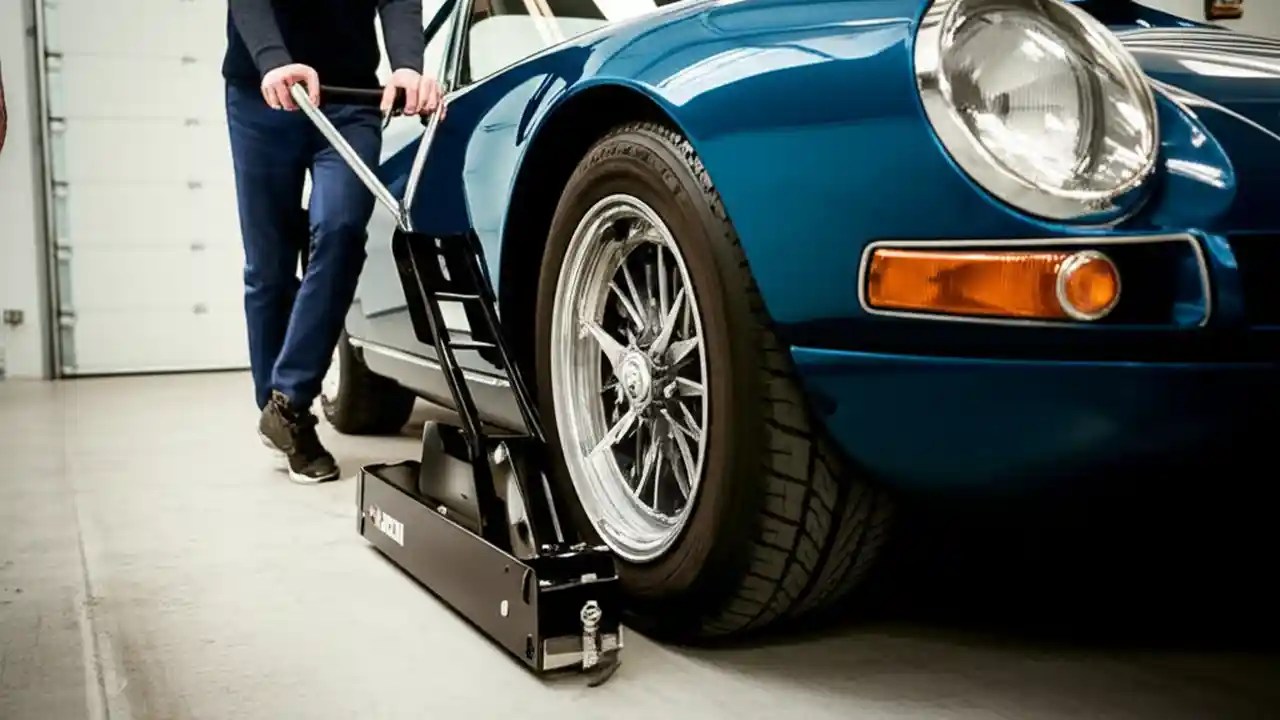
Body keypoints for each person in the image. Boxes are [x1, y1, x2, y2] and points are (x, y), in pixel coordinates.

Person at [223, 1, 444, 483]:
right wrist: (272, 58)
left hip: (350, 99)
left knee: (342, 231)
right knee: (269, 266)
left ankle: (287, 402)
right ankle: (289, 423)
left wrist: (407, 65)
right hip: (265, 94)